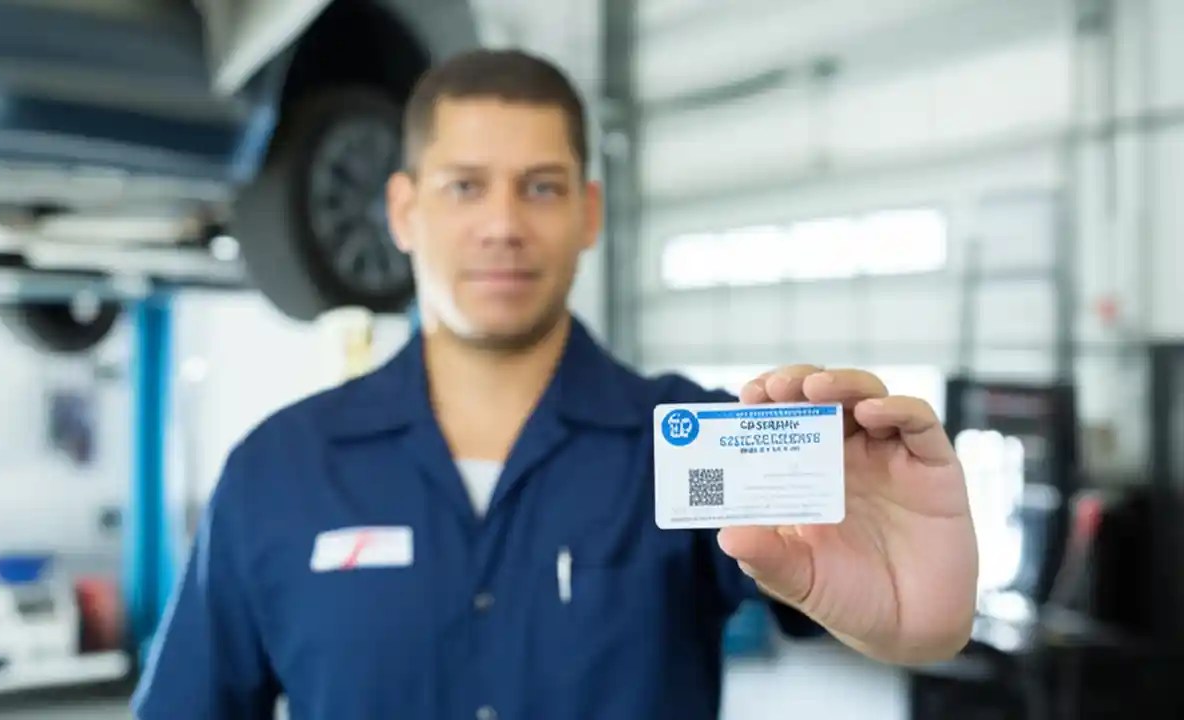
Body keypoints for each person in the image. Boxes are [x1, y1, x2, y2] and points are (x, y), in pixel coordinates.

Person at [132, 49, 978, 720]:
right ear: (402, 210)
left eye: (541, 187)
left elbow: (855, 601)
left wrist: (912, 614)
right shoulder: (278, 473)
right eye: (465, 187)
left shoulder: (694, 447)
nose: (503, 225)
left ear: (588, 213)